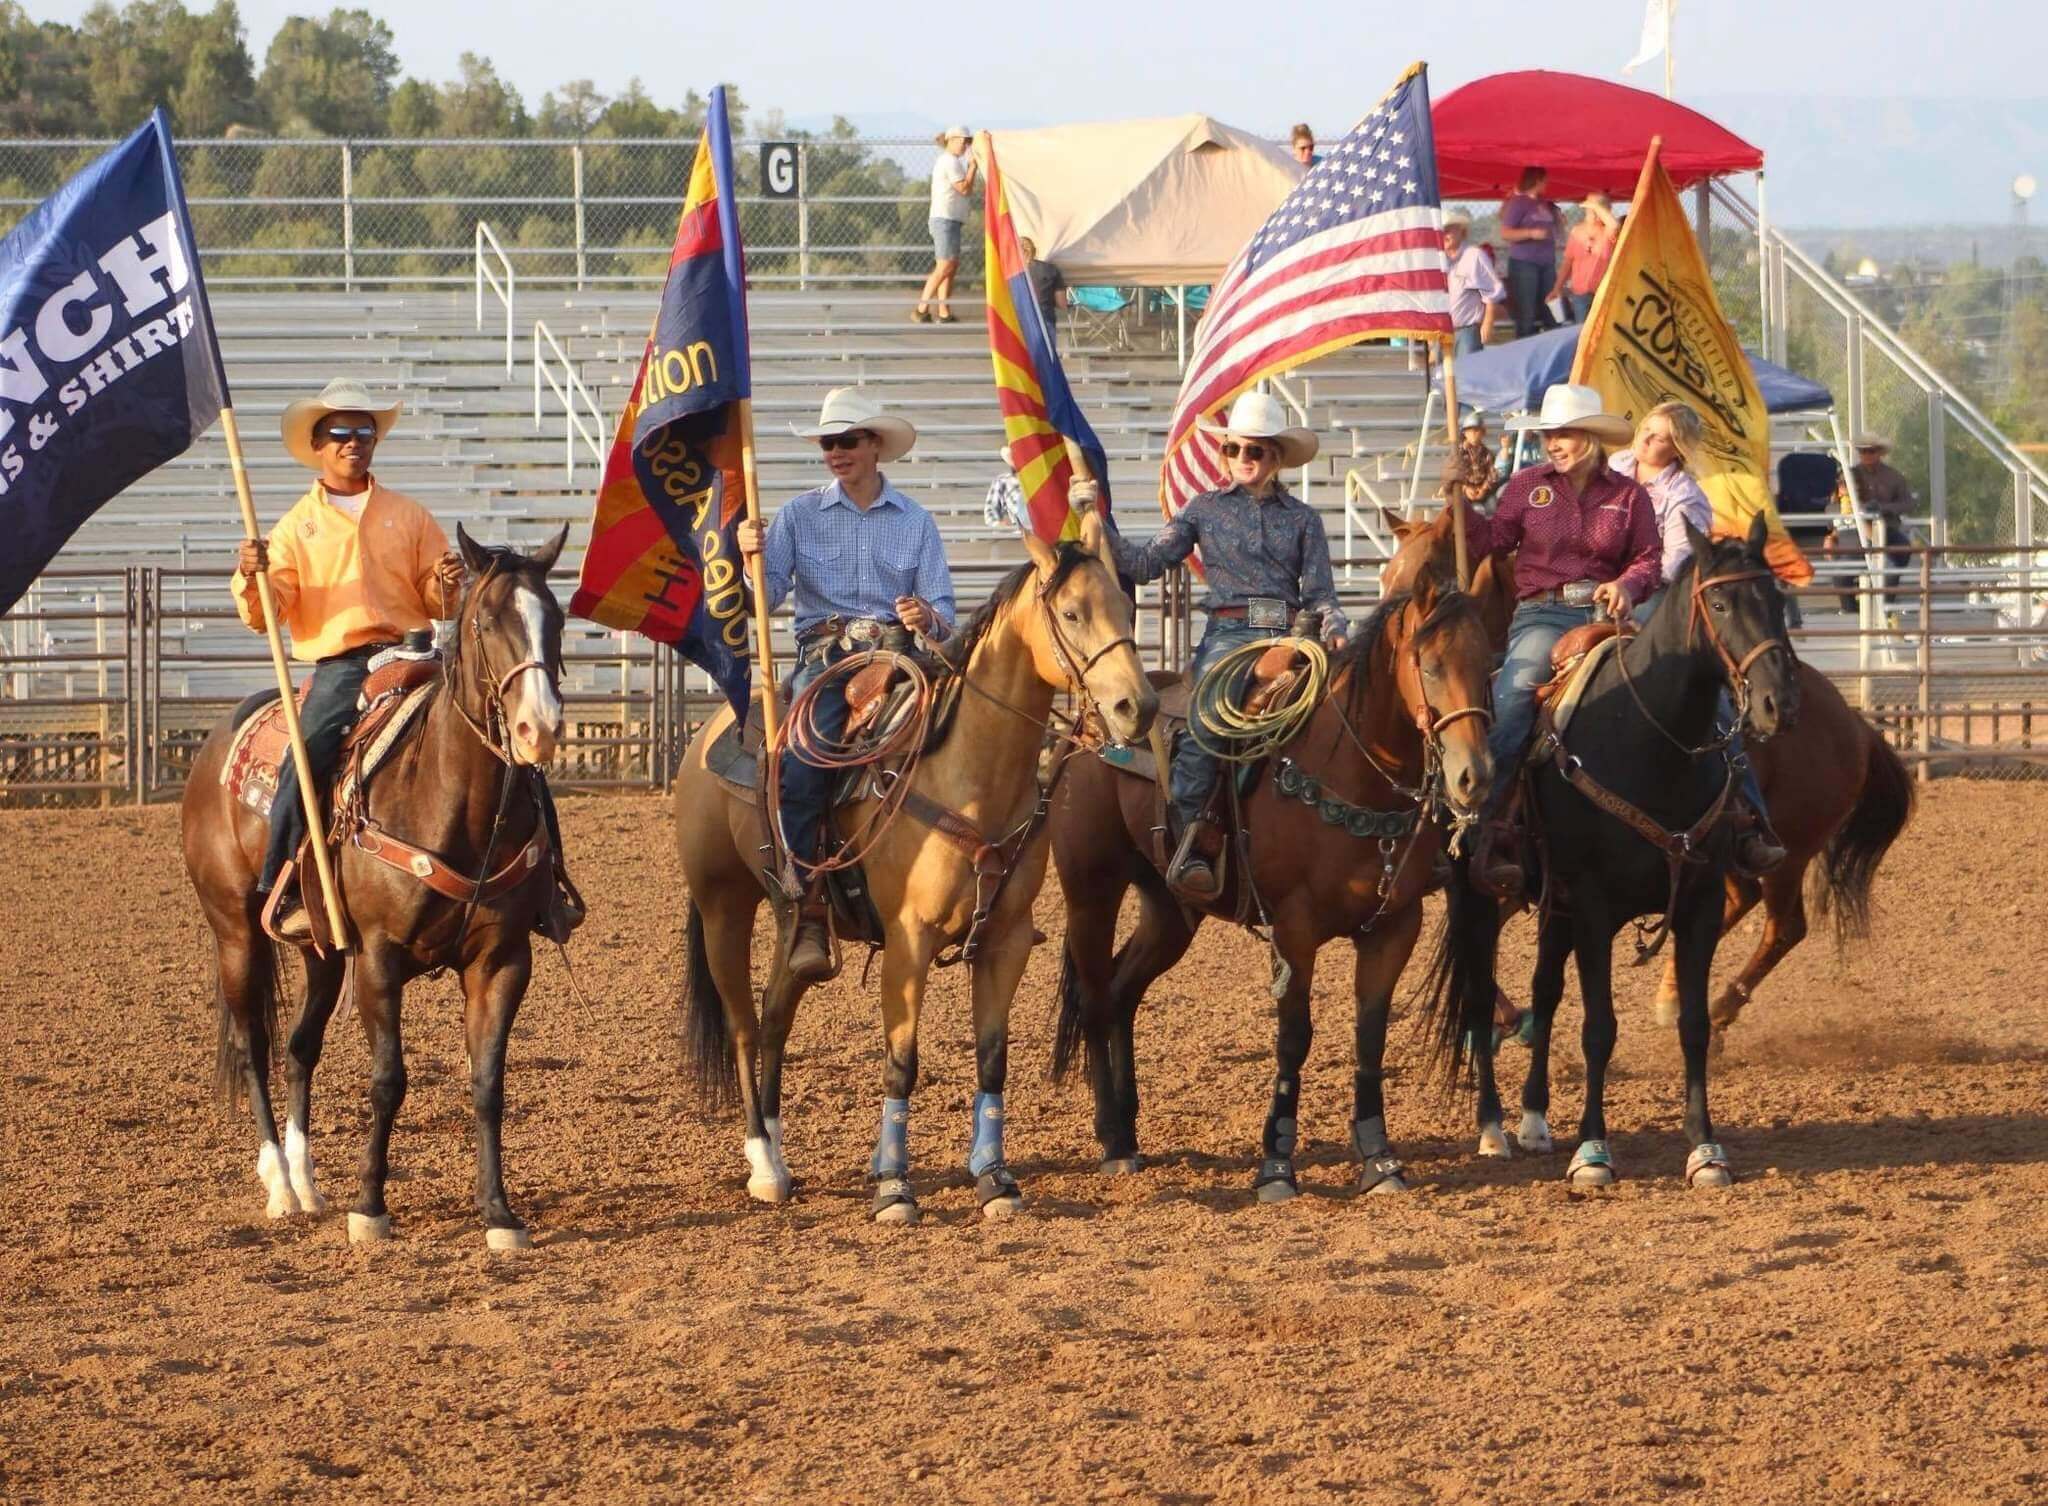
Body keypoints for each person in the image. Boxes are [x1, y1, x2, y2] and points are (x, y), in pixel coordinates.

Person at [231, 380, 584, 946]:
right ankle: (285, 880)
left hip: (415, 652)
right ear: (318, 445)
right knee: (308, 749)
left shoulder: (409, 514)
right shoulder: (295, 528)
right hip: (344, 664)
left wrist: (444, 584)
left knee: (506, 746)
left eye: (364, 431)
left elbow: (439, 603)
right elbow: (269, 610)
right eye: (340, 432)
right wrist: (253, 576)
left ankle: (547, 881)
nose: (353, 441)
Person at [737, 388, 956, 980]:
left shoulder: (916, 521)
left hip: (901, 656)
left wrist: (925, 617)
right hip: (828, 659)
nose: (835, 452)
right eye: (828, 443)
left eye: (847, 441)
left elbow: (944, 612)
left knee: (973, 735)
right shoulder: (797, 516)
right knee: (804, 757)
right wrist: (748, 561)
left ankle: (986, 886)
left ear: (874, 446)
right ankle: (806, 905)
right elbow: (765, 599)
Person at [1097, 391, 1344, 899]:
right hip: (1229, 637)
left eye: (1254, 450)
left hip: (1294, 636)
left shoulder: (1304, 520)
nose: (1243, 459)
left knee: (1350, 711)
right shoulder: (1203, 510)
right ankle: (1191, 840)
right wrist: (1098, 522)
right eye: (1234, 449)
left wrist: (1335, 621)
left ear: (1276, 457)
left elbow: (1320, 594)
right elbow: (1144, 564)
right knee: (1206, 721)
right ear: (1223, 454)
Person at [1448, 384, 1659, 898]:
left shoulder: (1629, 495)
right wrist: (1460, 502)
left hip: (1608, 617)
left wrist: (1627, 585)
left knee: (1673, 688)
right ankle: (1482, 826)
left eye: (1562, 434)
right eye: (1548, 435)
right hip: (1543, 613)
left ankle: (1715, 813)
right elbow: (1491, 542)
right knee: (1512, 701)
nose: (1552, 444)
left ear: (1590, 436)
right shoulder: (1526, 486)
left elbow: (1648, 558)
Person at [1612, 401, 1785, 873]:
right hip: (1595, 590)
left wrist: (1624, 583)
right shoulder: (1615, 467)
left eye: (1661, 437)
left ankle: (1749, 821)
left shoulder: (1685, 496)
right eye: (1646, 429)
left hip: (1653, 600)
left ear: (1678, 449)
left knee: (1718, 711)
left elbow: (1673, 563)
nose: (1647, 439)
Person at [915, 127, 976, 325]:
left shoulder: (952, 161)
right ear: (951, 140)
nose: (965, 146)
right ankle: (921, 309)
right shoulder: (950, 161)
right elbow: (964, 188)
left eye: (968, 142)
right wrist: (972, 166)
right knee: (945, 265)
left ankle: (943, 311)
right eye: (963, 141)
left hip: (951, 220)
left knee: (950, 266)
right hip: (944, 220)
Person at [1843, 433, 1916, 590]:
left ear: (1880, 452)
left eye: (1871, 451)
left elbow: (1908, 503)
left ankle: (1888, 597)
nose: (1867, 455)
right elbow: (1836, 503)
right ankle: (1851, 602)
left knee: (1903, 550)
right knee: (1843, 572)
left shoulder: (1894, 476)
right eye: (1863, 451)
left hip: (1887, 530)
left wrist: (1884, 509)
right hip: (1856, 531)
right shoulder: (1848, 476)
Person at [1498, 166, 1561, 339]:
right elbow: (1505, 233)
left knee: (1550, 307)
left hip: (1546, 262)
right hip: (1525, 263)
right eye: (1544, 180)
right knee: (1527, 311)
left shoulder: (1543, 203)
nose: (1547, 184)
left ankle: (1551, 342)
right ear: (1536, 181)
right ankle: (1525, 344)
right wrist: (1531, 233)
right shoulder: (1518, 202)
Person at [1443, 208, 1505, 357]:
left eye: (1448, 230)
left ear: (1461, 231)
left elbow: (1492, 291)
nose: (1444, 235)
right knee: (1442, 371)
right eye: (1441, 231)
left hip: (1467, 330)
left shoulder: (1474, 256)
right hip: (1442, 332)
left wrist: (1488, 323)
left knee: (1467, 369)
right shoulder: (1438, 259)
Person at [1552, 192, 1618, 323]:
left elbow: (1614, 225)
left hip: (1602, 291)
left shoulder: (1607, 231)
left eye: (1597, 208)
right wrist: (1557, 288)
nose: (1591, 212)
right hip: (1580, 292)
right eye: (1589, 209)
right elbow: (1568, 262)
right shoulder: (1577, 231)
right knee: (1581, 328)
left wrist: (1596, 207)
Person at [1441, 407, 1503, 512]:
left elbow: (1492, 473)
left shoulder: (1487, 453)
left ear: (1483, 433)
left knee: (1493, 506)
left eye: (1477, 431)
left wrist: (1483, 488)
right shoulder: (1457, 453)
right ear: (1465, 433)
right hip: (1463, 492)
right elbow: (1451, 476)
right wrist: (1465, 488)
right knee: (1473, 510)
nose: (1473, 434)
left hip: (1482, 492)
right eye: (1470, 431)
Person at [1019, 235, 1066, 348]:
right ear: (1034, 251)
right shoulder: (1050, 269)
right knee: (1048, 353)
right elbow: (1061, 303)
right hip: (1045, 316)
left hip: (1020, 318)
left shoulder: (1010, 272)